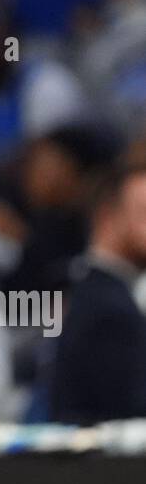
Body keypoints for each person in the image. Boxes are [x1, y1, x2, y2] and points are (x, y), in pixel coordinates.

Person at [46, 162, 146, 425]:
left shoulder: (91, 289)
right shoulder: (108, 307)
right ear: (107, 217)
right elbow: (128, 412)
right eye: (144, 214)